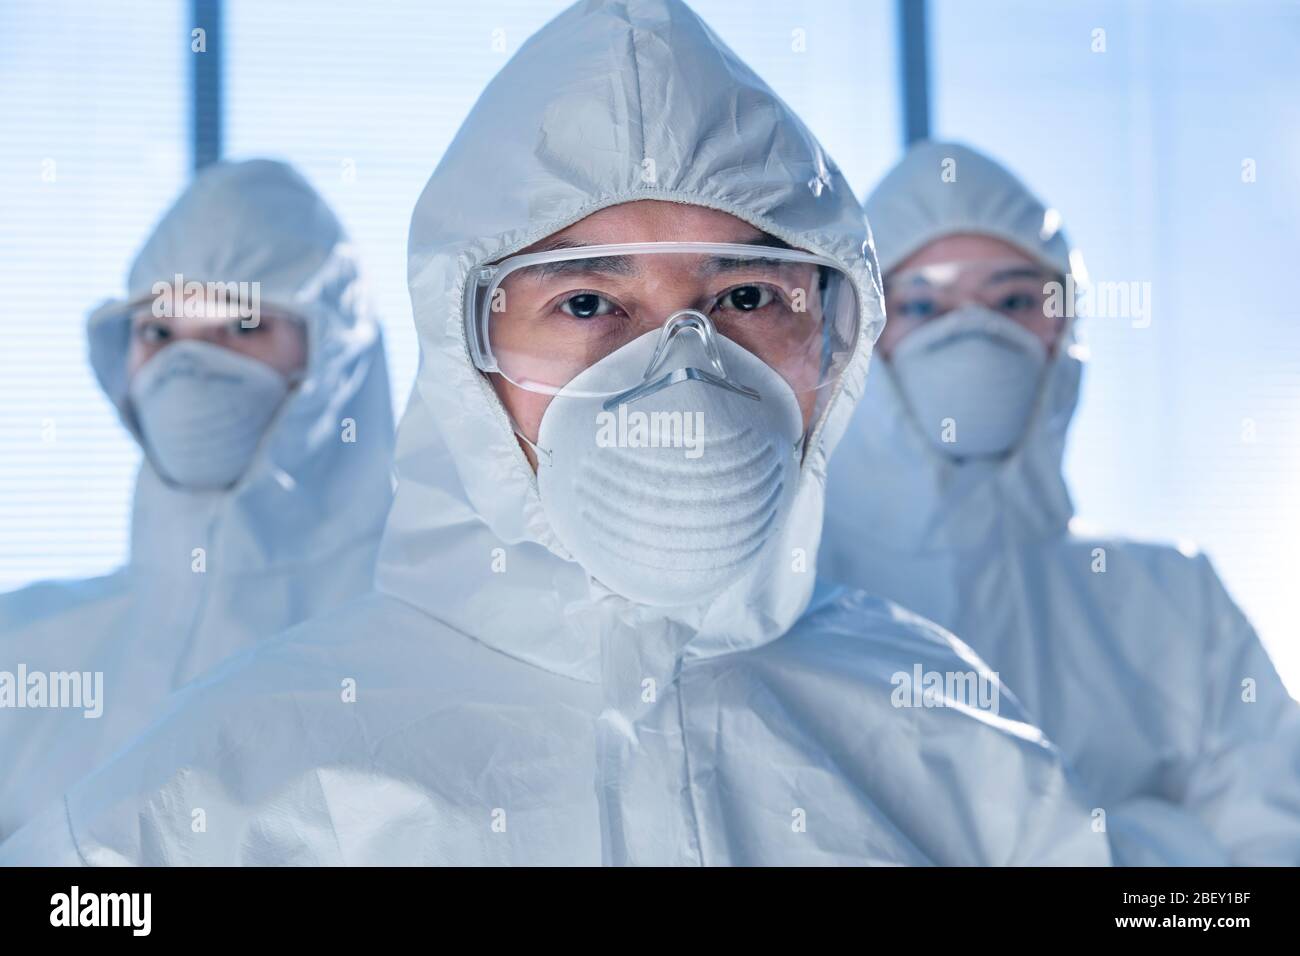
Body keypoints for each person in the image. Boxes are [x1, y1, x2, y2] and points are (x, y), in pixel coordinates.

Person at [0, 0, 1108, 866]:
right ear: (464, 346)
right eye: (586, 305)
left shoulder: (949, 728)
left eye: (748, 300)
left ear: (838, 343)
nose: (679, 375)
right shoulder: (226, 782)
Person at [819, 141, 1300, 865]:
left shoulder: (1174, 602)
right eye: (922, 303)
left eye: (1015, 300)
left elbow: (1259, 872)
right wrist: (1146, 839)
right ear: (856, 335)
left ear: (1066, 329)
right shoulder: (787, 590)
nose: (974, 332)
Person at [0, 159, 395, 841]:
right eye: (159, 331)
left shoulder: (426, 646)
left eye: (241, 328)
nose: (189, 365)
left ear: (334, 352)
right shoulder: (26, 651)